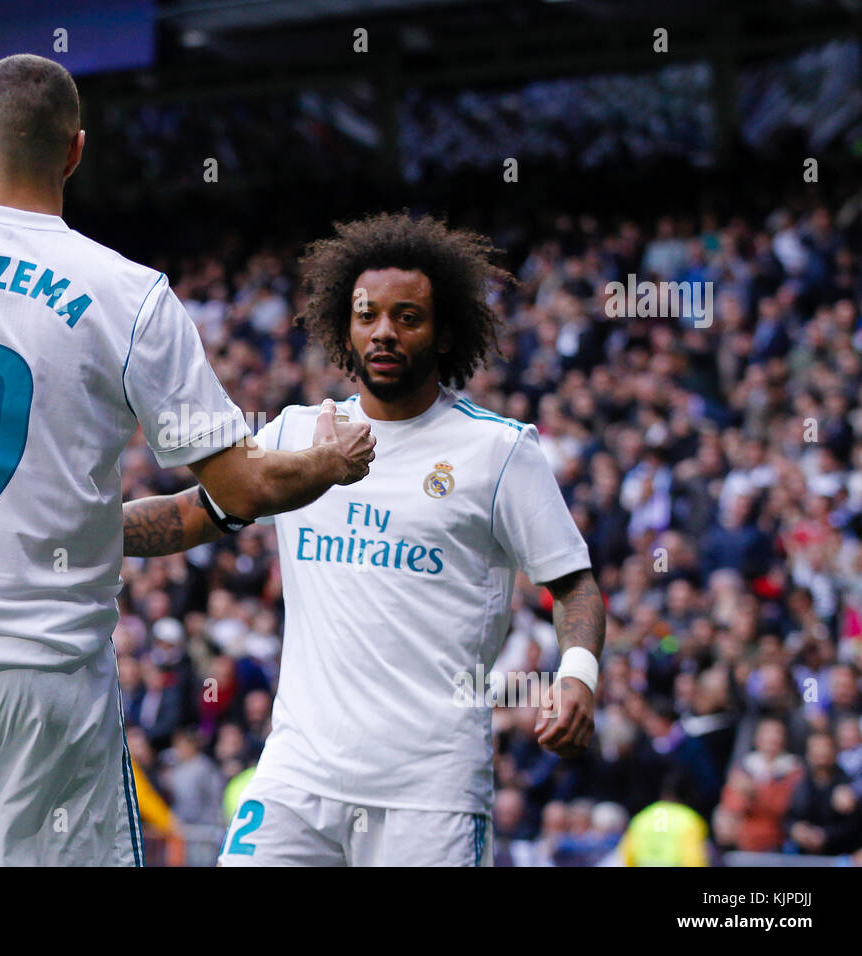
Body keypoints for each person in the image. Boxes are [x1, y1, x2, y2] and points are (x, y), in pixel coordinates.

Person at [0, 54, 375, 867]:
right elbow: (242, 486)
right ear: (75, 152)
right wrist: (326, 460)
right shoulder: (132, 295)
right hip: (54, 672)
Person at [123, 212, 605, 865]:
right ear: (345, 328)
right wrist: (71, 531)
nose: (384, 330)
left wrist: (577, 677)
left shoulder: (497, 451)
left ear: (443, 335)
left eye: (408, 317)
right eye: (367, 314)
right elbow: (189, 516)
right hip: (297, 779)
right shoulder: (295, 436)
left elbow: (573, 584)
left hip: (428, 795)